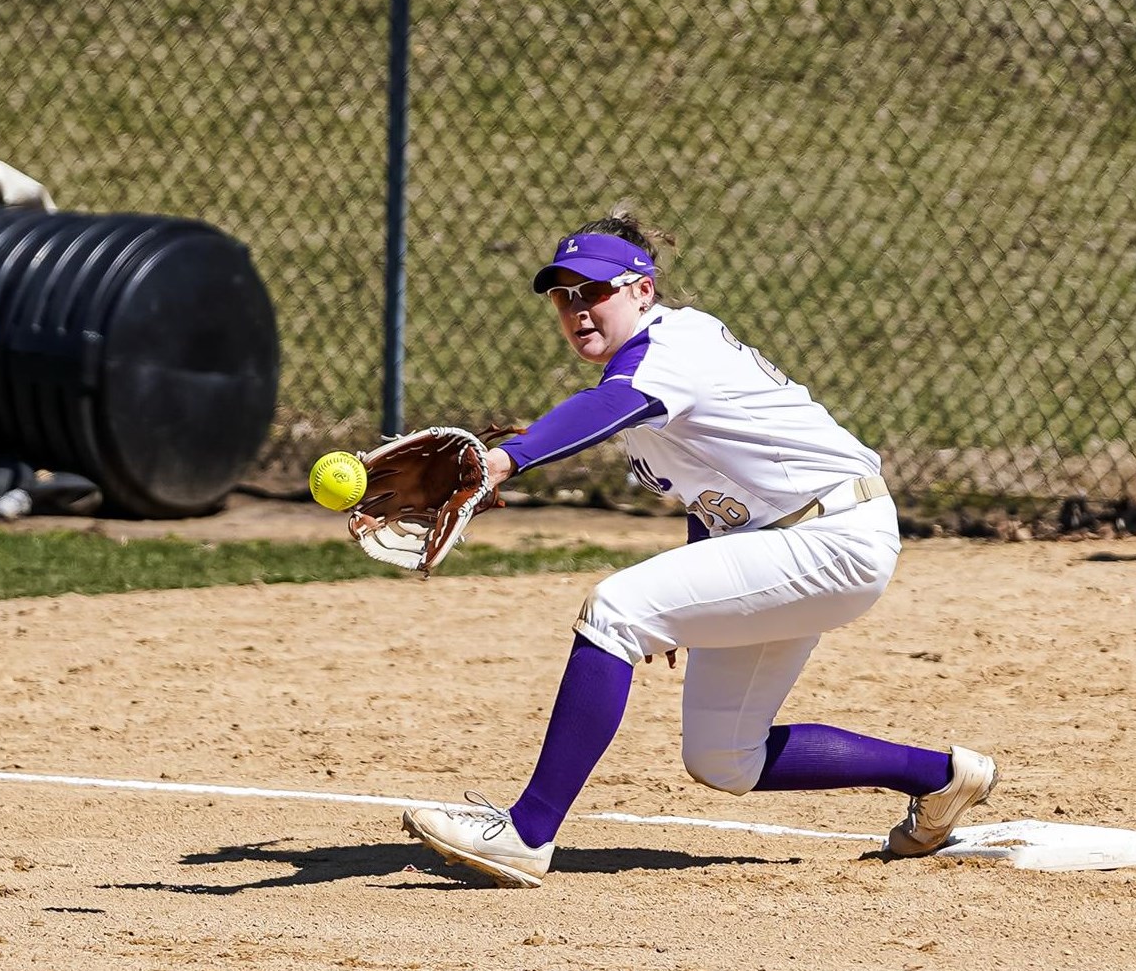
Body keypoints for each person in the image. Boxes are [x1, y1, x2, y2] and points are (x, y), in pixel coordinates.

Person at [399, 211, 998, 887]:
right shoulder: (646, 369)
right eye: (562, 296)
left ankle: (526, 832)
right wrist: (688, 594)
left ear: (642, 290)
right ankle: (941, 777)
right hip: (793, 541)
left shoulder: (669, 348)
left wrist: (507, 459)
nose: (576, 309)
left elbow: (606, 407)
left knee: (615, 610)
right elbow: (708, 491)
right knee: (724, 756)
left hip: (830, 534)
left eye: (593, 290)